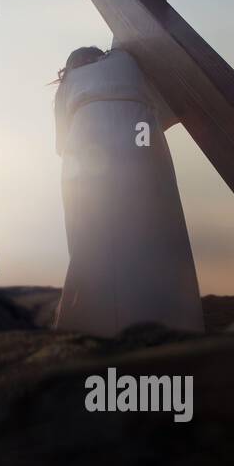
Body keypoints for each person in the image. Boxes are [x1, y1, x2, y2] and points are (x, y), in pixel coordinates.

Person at [51, 45, 204, 336]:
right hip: (141, 130)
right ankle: (170, 318)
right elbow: (170, 108)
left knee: (91, 229)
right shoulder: (129, 59)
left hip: (86, 141)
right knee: (155, 221)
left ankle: (93, 318)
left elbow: (61, 146)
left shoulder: (69, 85)